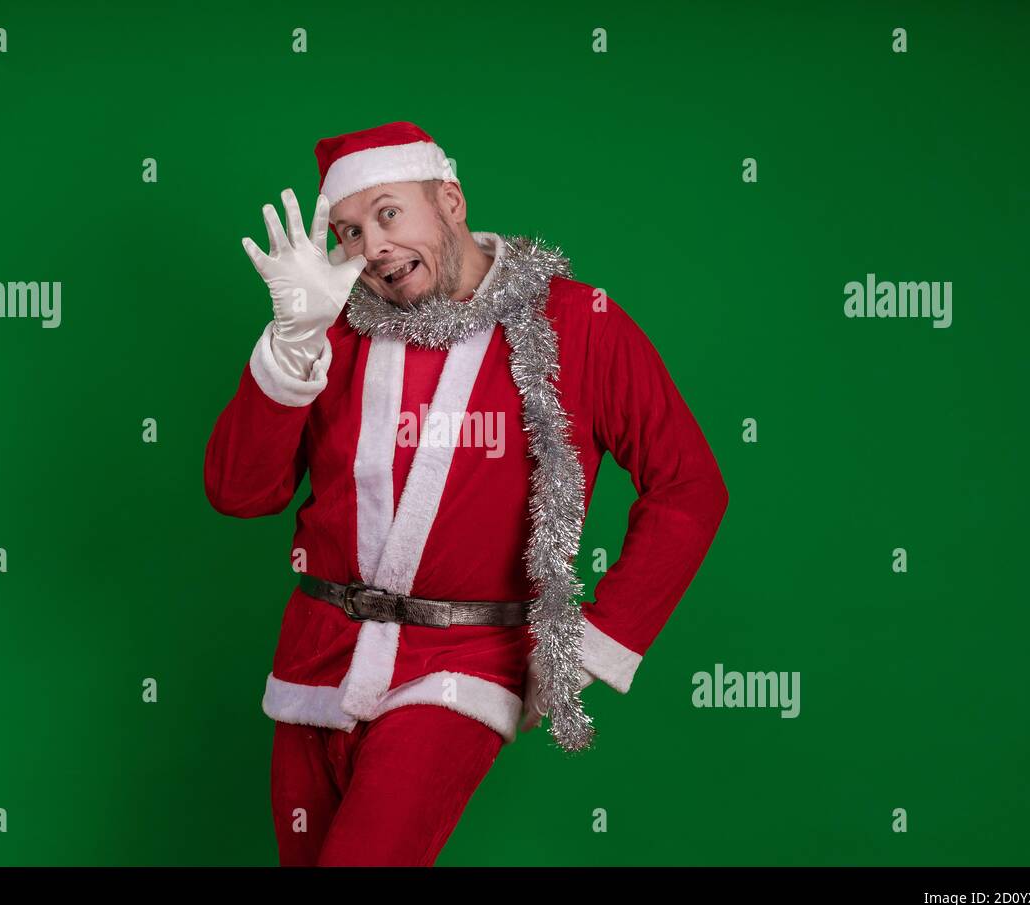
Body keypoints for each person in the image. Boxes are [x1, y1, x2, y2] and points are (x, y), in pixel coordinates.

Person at [203, 121, 729, 866]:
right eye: (349, 233)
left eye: (389, 214)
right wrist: (294, 342)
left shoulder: (579, 324)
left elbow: (689, 487)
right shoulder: (335, 332)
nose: (372, 247)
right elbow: (239, 492)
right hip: (315, 660)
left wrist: (584, 647)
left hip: (465, 662)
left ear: (450, 199)